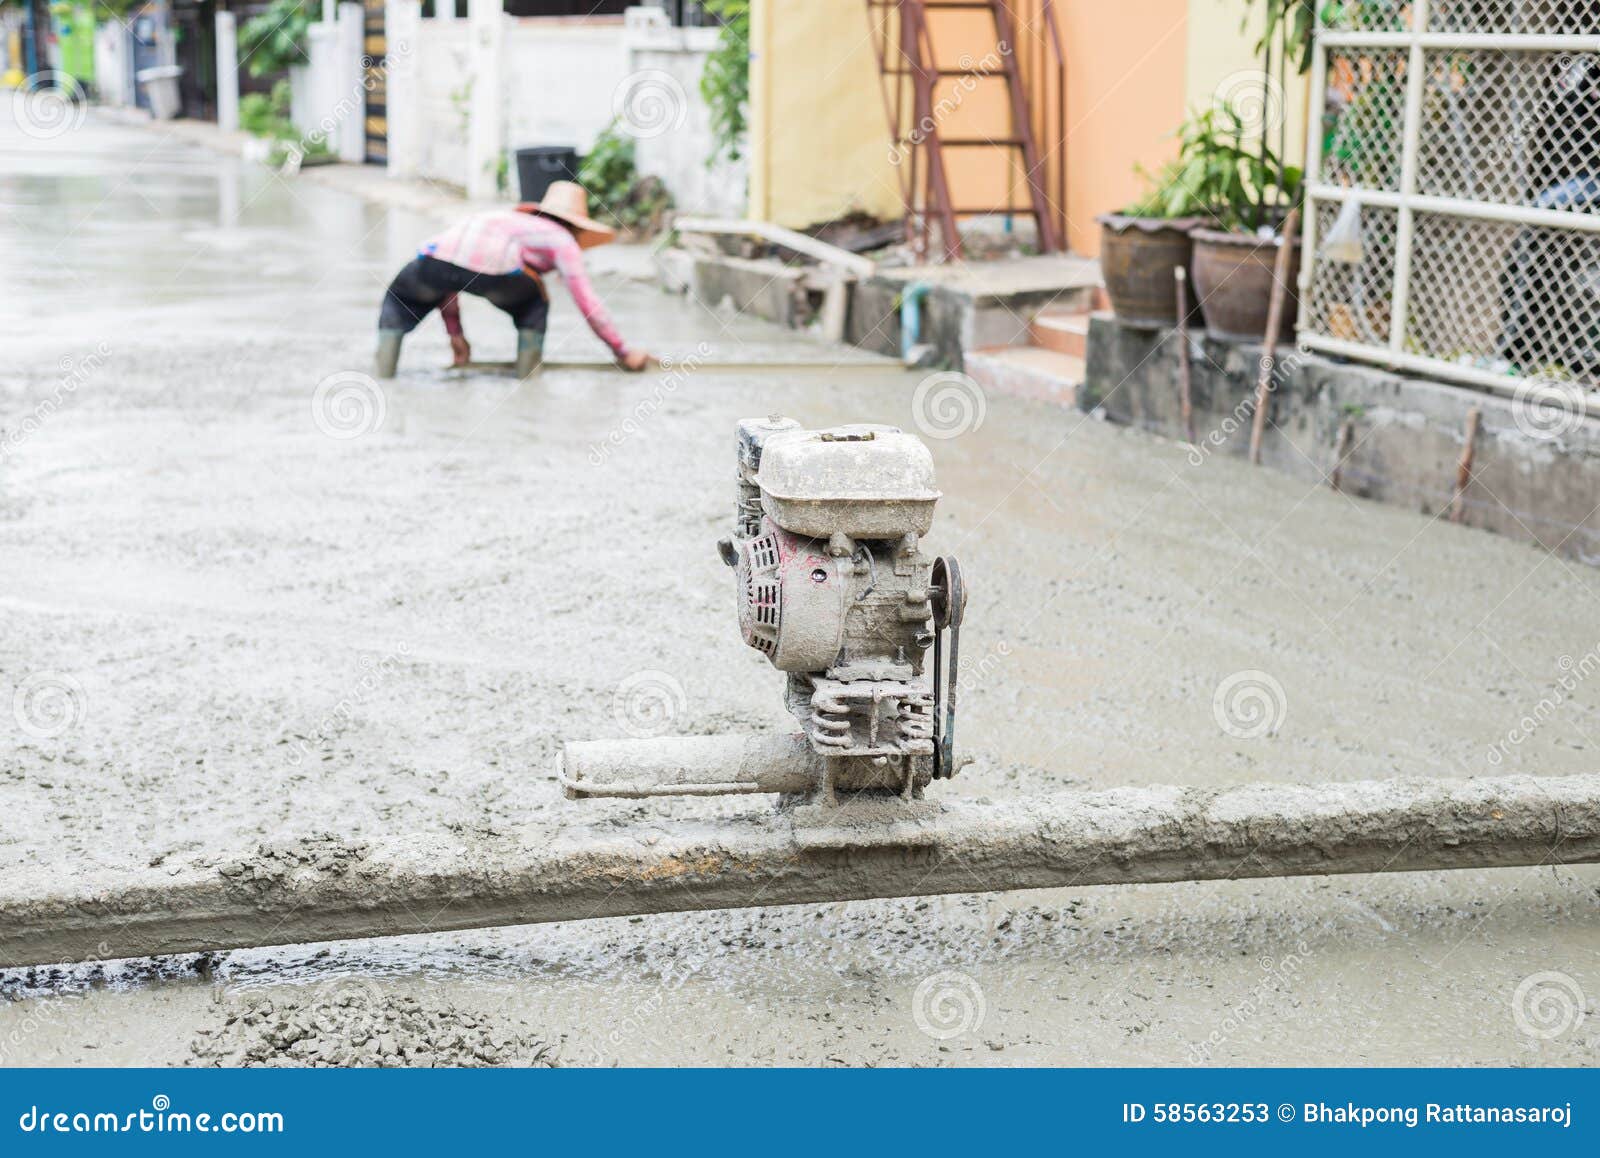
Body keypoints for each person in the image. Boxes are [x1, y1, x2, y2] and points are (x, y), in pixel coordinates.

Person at [375, 181, 655, 379]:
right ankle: (528, 378)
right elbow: (588, 303)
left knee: (400, 301)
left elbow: (451, 276)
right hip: (498, 275)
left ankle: (384, 374)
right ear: (575, 225)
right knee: (535, 303)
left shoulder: (500, 219)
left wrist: (455, 335)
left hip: (431, 261)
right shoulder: (562, 240)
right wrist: (622, 351)